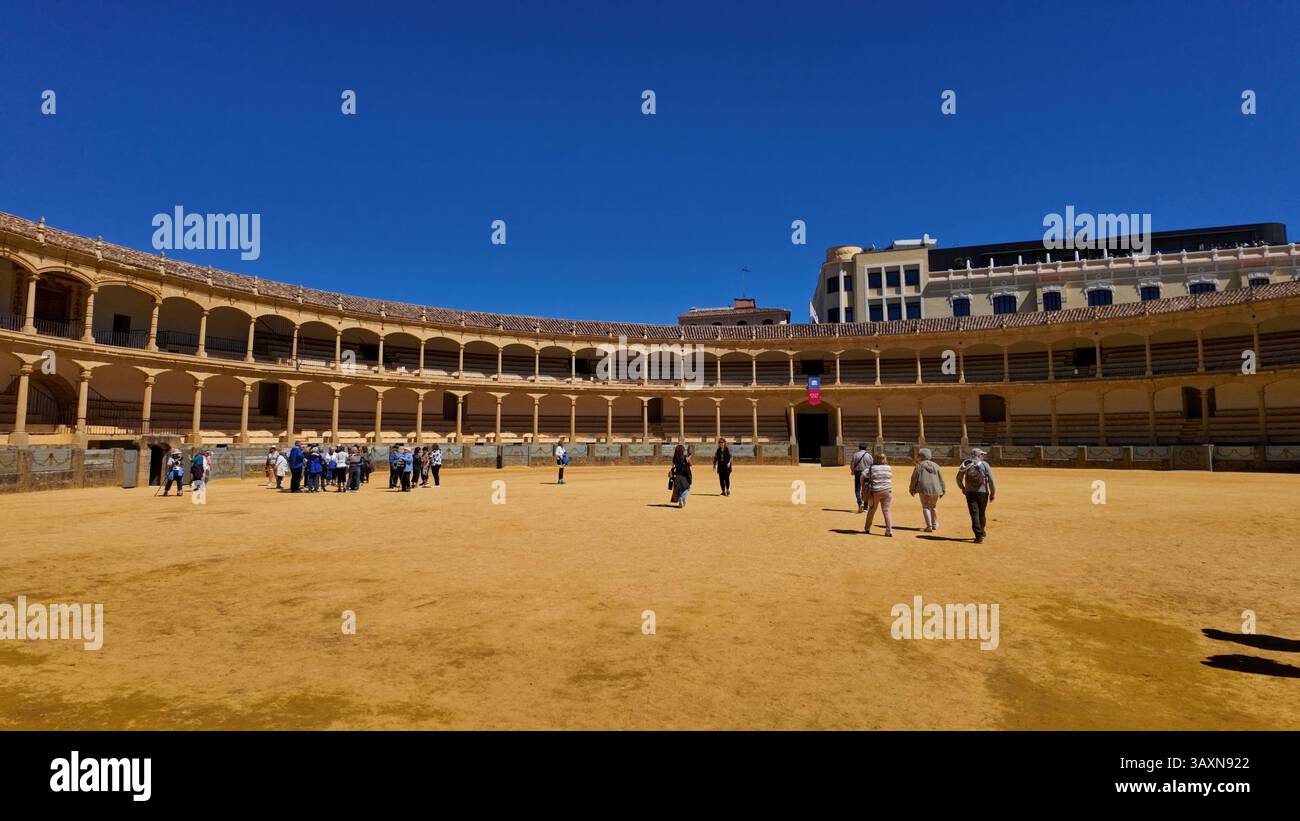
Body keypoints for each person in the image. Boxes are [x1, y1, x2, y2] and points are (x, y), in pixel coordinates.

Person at [956, 448, 996, 544]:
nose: (983, 456)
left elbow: (958, 479)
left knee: (974, 514)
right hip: (983, 492)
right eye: (982, 454)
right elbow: (991, 480)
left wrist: (963, 488)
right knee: (981, 513)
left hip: (970, 492)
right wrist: (992, 493)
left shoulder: (966, 464)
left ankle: (979, 535)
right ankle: (981, 532)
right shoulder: (985, 465)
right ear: (979, 455)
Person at [908, 448, 946, 533]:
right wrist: (943, 489)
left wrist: (912, 489)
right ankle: (934, 525)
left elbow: (914, 478)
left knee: (925, 506)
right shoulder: (936, 466)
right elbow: (941, 479)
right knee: (934, 506)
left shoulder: (919, 465)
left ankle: (929, 526)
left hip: (923, 488)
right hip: (936, 488)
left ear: (922, 456)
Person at [862, 452, 894, 536]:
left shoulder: (871, 468)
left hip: (875, 492)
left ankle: (867, 528)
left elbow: (862, 476)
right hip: (887, 491)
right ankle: (889, 530)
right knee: (886, 510)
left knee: (872, 510)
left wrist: (863, 486)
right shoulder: (888, 467)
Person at [850, 443, 872, 514]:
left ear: (859, 448)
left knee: (857, 489)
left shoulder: (855, 455)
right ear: (866, 448)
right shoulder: (869, 456)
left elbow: (852, 464)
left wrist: (853, 471)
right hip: (867, 474)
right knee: (866, 490)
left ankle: (860, 503)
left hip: (858, 473)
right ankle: (866, 507)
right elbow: (872, 465)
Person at [670, 444, 693, 508]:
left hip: (677, 476)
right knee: (686, 488)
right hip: (685, 476)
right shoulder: (685, 457)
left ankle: (682, 501)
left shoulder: (674, 458)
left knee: (680, 489)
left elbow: (673, 467)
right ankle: (681, 498)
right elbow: (691, 464)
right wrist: (689, 458)